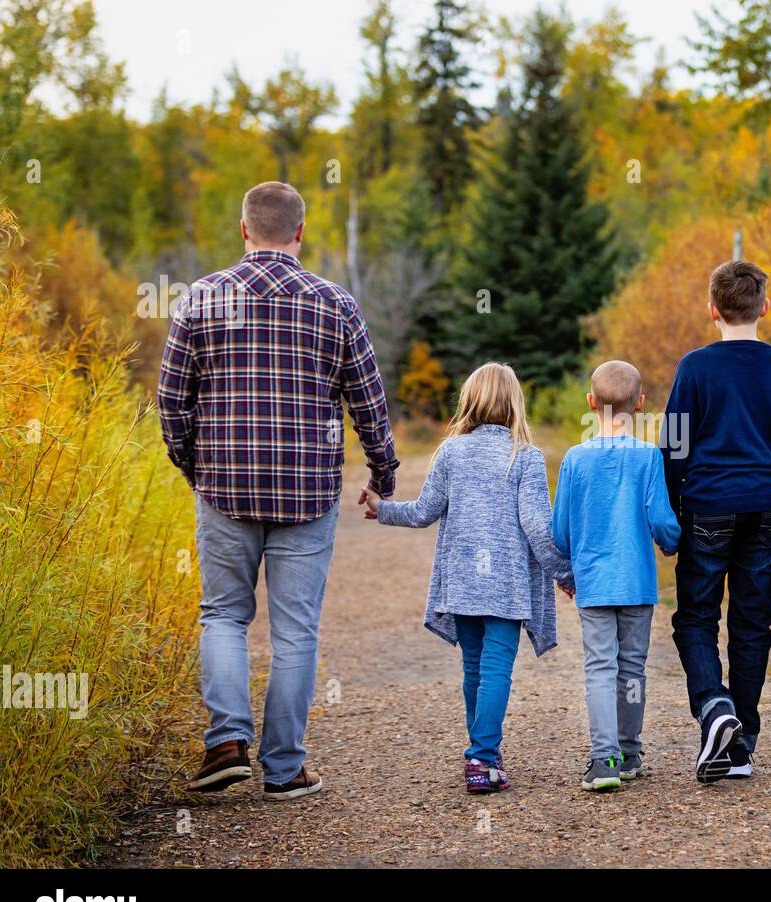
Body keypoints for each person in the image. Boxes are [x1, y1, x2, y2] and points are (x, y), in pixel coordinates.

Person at [159, 180, 399, 800]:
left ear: (244, 229)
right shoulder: (335, 304)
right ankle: (285, 767)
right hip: (306, 492)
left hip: (224, 485)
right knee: (295, 632)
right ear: (301, 231)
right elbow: (368, 403)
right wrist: (383, 473)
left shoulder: (201, 298)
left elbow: (170, 402)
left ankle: (226, 743)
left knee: (223, 616)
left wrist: (195, 467)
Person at [362, 363, 573, 794]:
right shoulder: (524, 456)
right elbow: (536, 526)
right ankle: (482, 757)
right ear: (515, 403)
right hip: (506, 584)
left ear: (469, 402)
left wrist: (382, 508)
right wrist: (565, 571)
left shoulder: (450, 452)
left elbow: (423, 512)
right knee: (496, 668)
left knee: (474, 667)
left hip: (462, 582)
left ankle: (482, 753)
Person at [661, 259, 771, 784]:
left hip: (709, 503)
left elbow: (674, 447)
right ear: (765, 307)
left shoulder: (695, 368)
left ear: (712, 310)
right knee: (752, 621)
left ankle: (713, 705)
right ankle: (741, 742)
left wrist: (676, 516)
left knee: (695, 616)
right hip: (769, 504)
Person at [552, 361, 680, 791]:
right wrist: (672, 543)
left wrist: (569, 567)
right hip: (637, 581)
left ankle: (603, 759)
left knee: (599, 667)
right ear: (640, 404)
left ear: (591, 402)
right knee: (633, 668)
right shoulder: (648, 457)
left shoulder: (574, 459)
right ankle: (630, 751)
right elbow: (661, 519)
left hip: (593, 581)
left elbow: (560, 530)